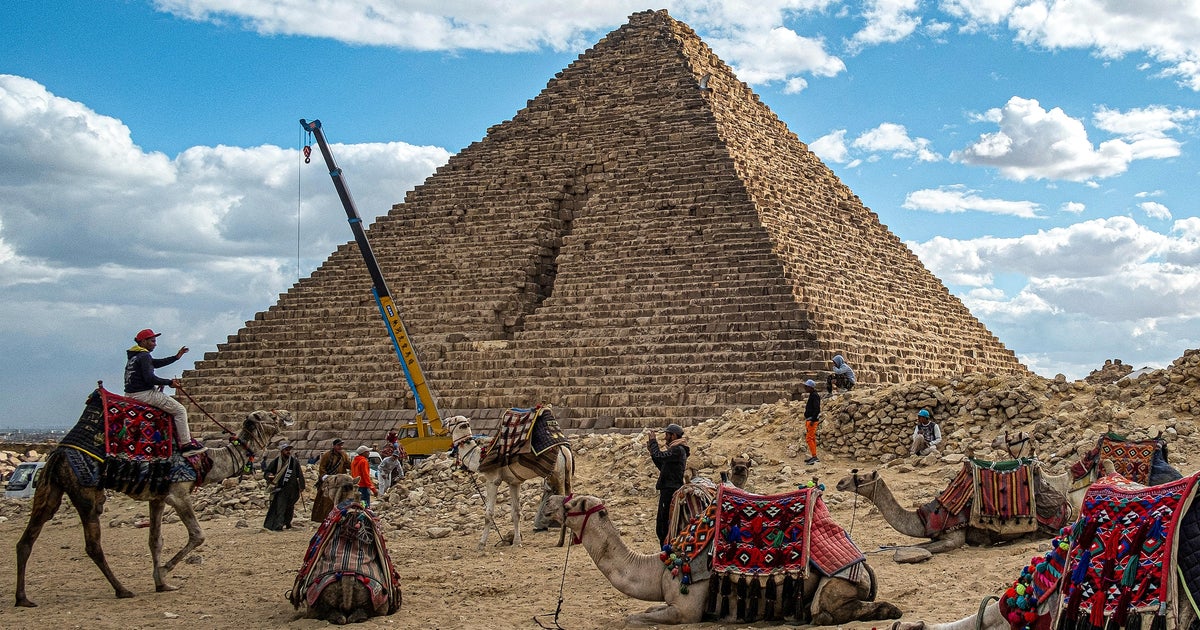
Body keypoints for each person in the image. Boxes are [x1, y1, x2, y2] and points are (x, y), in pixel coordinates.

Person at [123, 328, 200, 453]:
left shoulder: (135, 356)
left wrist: (176, 357)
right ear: (143, 341)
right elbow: (149, 378)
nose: (155, 344)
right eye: (152, 341)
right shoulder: (144, 356)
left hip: (130, 394)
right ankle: (186, 445)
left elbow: (155, 363)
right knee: (180, 411)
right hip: (144, 394)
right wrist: (169, 382)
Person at [647, 423, 689, 546]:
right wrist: (652, 453)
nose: (665, 437)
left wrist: (653, 442)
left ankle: (665, 550)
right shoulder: (676, 450)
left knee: (663, 524)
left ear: (674, 435)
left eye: (667, 435)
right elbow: (662, 466)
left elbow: (659, 455)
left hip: (670, 489)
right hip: (668, 488)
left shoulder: (677, 449)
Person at [262, 442, 305, 531]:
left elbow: (299, 474)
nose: (288, 452)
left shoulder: (294, 461)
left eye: (289, 450)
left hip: (293, 488)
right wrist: (269, 476)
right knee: (281, 506)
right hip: (281, 488)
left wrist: (302, 485)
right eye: (286, 450)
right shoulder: (276, 461)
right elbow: (267, 472)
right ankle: (279, 525)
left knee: (290, 507)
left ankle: (288, 523)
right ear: (282, 451)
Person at [310, 438, 353, 521]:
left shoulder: (344, 455)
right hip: (330, 481)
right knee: (326, 500)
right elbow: (322, 467)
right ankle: (325, 518)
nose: (340, 447)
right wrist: (325, 477)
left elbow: (348, 464)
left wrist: (354, 466)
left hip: (340, 481)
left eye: (341, 445)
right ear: (334, 446)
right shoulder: (327, 455)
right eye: (339, 445)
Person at [802, 379, 821, 465]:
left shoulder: (814, 396)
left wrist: (813, 419)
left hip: (812, 420)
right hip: (809, 419)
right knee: (811, 438)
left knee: (809, 439)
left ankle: (814, 457)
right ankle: (813, 456)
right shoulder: (812, 395)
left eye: (806, 386)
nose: (805, 388)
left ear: (810, 387)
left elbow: (817, 409)